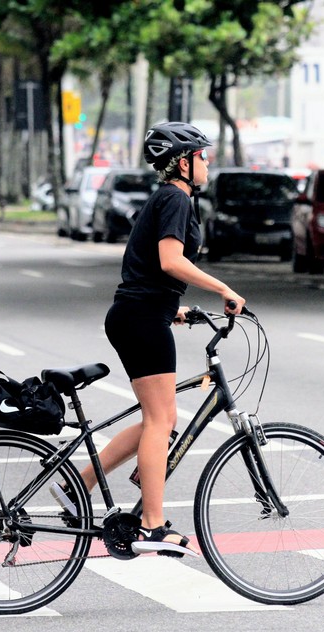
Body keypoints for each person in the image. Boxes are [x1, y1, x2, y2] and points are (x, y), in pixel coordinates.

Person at [55, 122, 245, 557]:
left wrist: (172, 308)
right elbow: (169, 260)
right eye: (202, 156)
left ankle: (77, 485)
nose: (208, 162)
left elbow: (147, 269)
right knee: (162, 421)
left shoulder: (166, 198)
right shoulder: (176, 197)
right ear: (183, 162)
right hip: (139, 318)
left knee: (155, 419)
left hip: (139, 313)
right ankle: (153, 525)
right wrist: (222, 289)